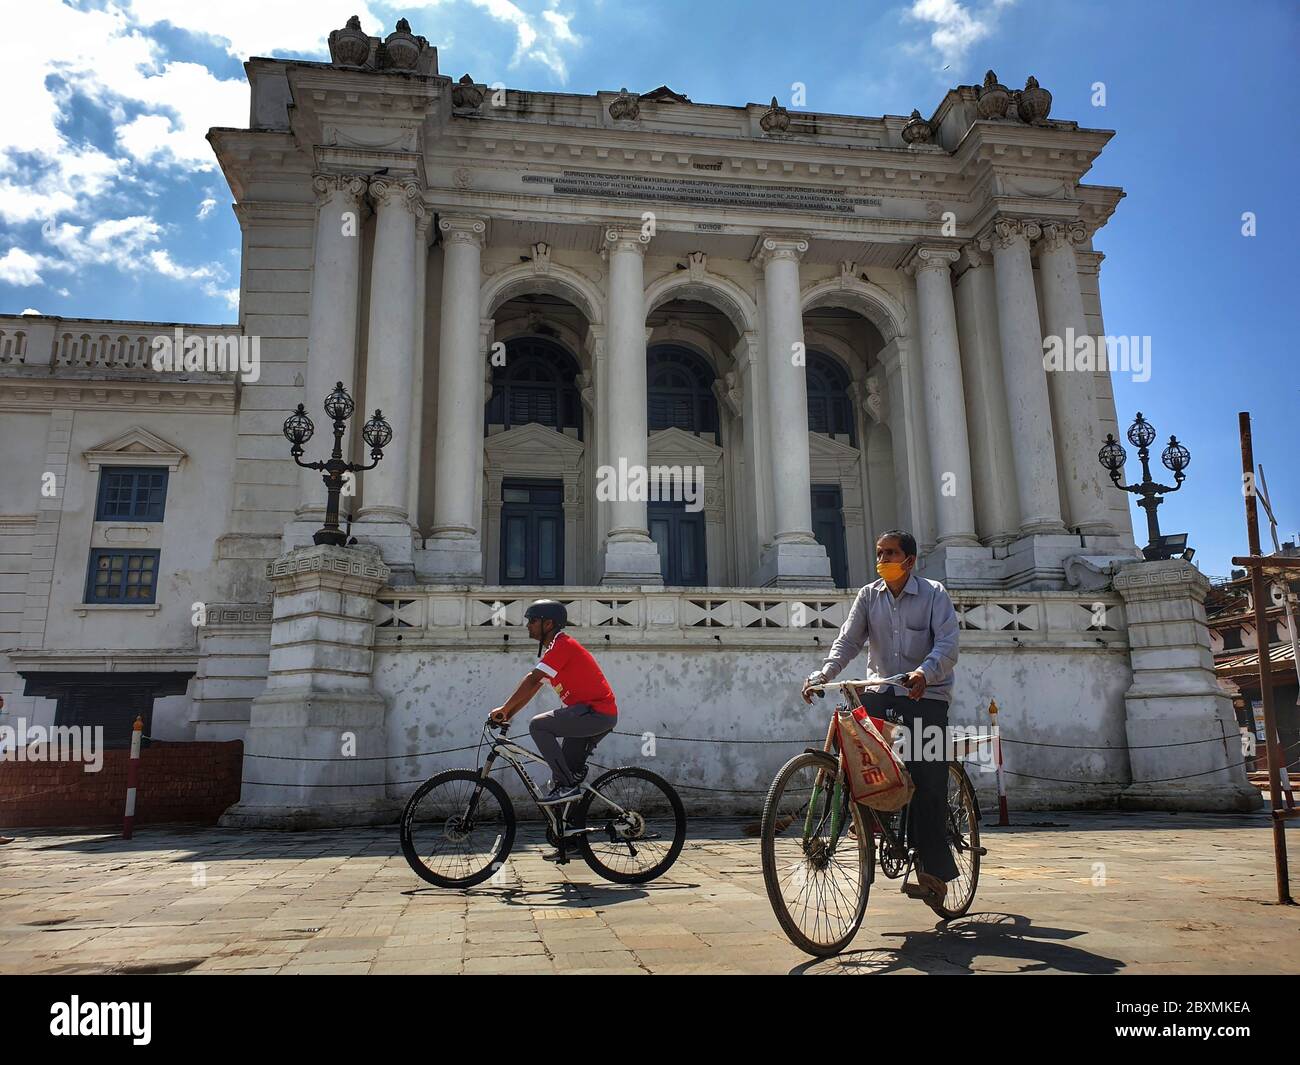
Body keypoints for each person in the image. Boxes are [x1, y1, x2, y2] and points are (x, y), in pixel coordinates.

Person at [801, 529, 961, 912]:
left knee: (928, 779)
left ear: (910, 560)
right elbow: (849, 641)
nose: (883, 559)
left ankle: (933, 871)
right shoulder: (868, 595)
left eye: (891, 553)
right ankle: (864, 818)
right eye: (879, 553)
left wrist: (925, 672)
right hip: (882, 691)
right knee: (854, 745)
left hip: (926, 696)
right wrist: (823, 674)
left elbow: (947, 644)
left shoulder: (934, 594)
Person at [489, 599, 618, 821]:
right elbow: (534, 686)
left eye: (532, 621)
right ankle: (571, 841)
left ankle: (567, 785)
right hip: (586, 715)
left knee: (539, 725)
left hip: (594, 714)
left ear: (548, 624)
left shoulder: (563, 645)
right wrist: (508, 714)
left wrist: (504, 708)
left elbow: (532, 679)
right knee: (563, 782)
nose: (528, 625)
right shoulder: (555, 648)